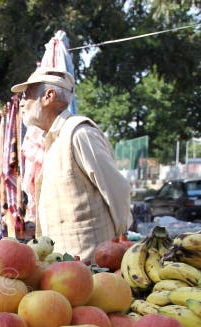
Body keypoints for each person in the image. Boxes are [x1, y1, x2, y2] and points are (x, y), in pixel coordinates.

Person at [11, 67, 132, 262]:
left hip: (93, 263)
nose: (22, 102)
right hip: (63, 264)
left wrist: (118, 242)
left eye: (27, 95)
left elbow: (117, 190)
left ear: (48, 96)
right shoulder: (53, 139)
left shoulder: (79, 133)